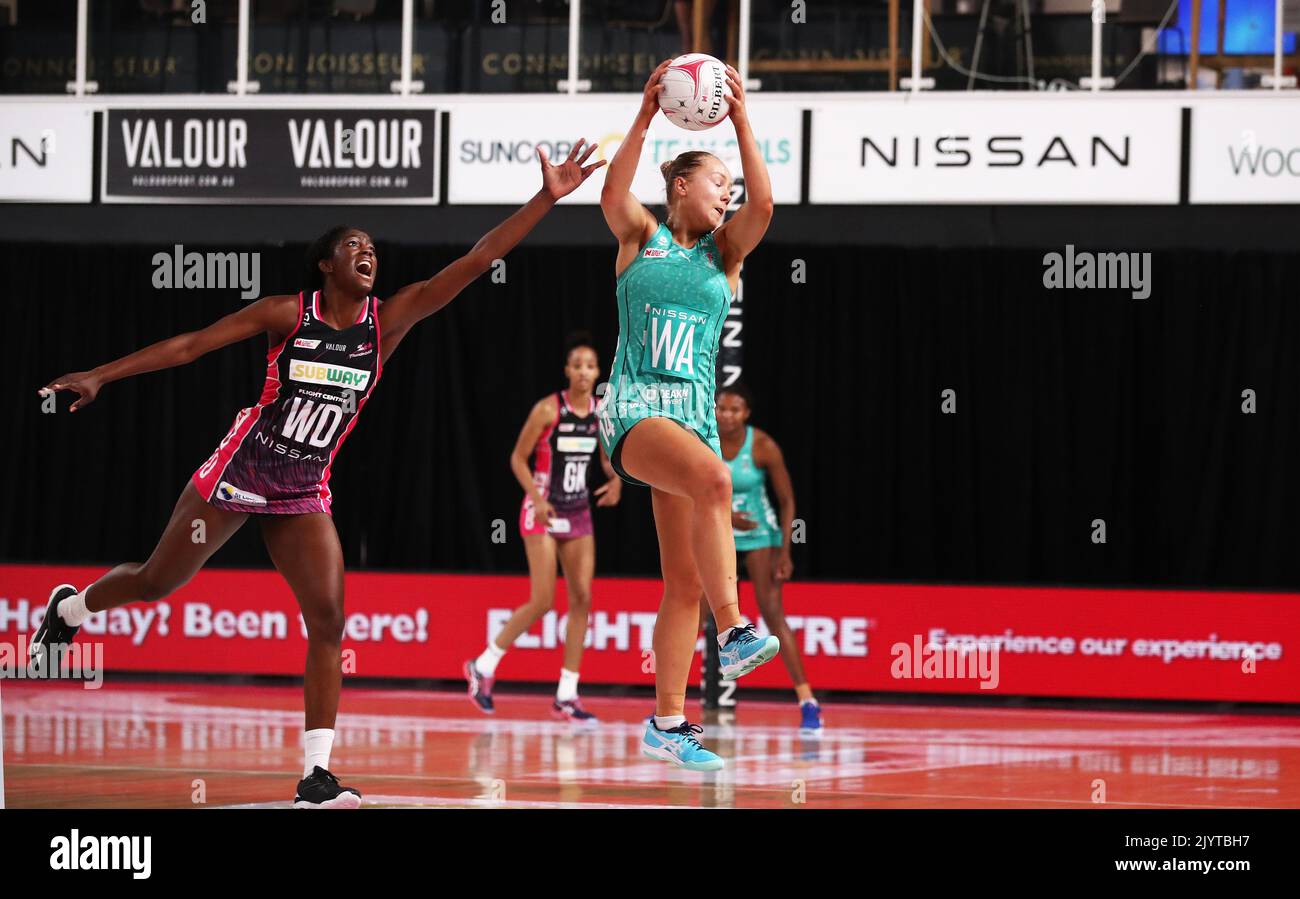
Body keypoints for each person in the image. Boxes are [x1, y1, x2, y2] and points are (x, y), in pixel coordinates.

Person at [32, 139, 607, 808]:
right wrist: (100, 374)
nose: (370, 255)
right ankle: (69, 608)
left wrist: (546, 197)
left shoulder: (384, 324)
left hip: (302, 488)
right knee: (159, 581)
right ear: (326, 262)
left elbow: (477, 262)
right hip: (239, 472)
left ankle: (316, 773)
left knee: (330, 618)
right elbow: (190, 345)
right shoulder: (288, 312)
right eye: (355, 247)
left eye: (375, 250)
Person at [596, 58, 777, 771]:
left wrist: (740, 118)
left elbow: (764, 207)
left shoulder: (725, 256)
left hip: (691, 417)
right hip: (638, 409)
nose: (729, 196)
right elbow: (613, 193)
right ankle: (735, 631)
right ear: (679, 185)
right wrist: (643, 116)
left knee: (683, 584)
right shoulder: (641, 235)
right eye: (716, 182)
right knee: (712, 480)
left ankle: (668, 721)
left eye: (729, 187)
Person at [466, 332, 622, 722]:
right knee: (543, 600)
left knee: (583, 598)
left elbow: (607, 459)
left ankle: (566, 694)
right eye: (577, 365)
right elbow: (517, 458)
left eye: (590, 366)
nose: (584, 372)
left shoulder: (602, 412)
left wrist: (617, 479)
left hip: (578, 511)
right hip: (543, 510)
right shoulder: (549, 409)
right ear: (567, 370)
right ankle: (483, 665)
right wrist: (535, 498)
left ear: (598, 371)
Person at [715, 383, 822, 731]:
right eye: (721, 408)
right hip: (721, 535)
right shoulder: (705, 440)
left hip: (761, 536)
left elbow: (787, 499)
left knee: (773, 614)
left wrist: (786, 551)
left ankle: (808, 702)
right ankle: (669, 705)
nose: (726, 415)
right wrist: (727, 518)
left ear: (746, 413)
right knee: (699, 612)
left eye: (734, 410)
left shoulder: (762, 446)